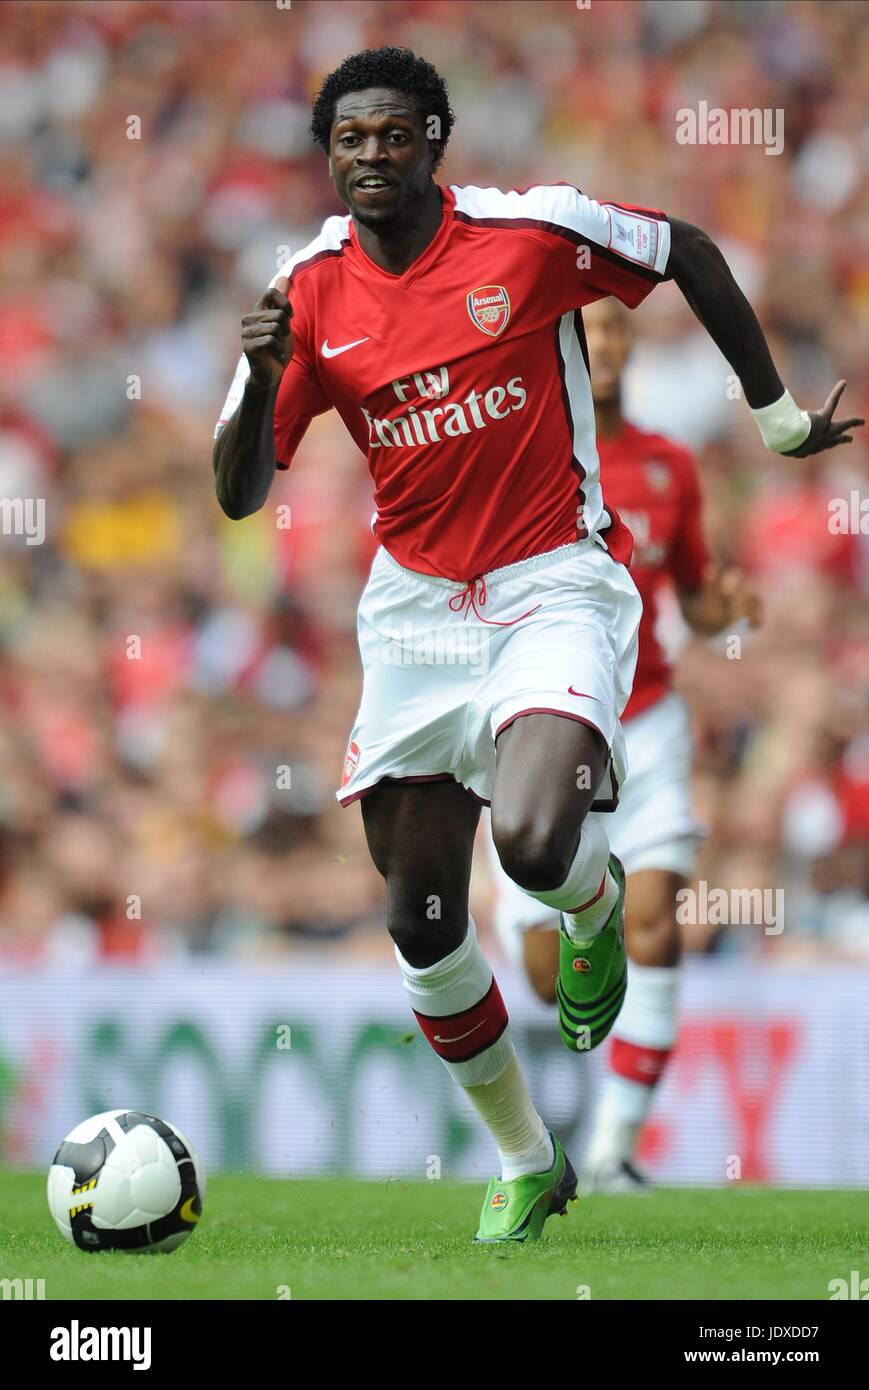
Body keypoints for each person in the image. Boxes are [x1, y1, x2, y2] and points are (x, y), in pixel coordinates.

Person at [212, 47, 862, 1242]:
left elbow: (687, 253)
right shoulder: (302, 290)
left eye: (393, 134)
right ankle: (527, 1156)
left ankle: (589, 901)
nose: (369, 156)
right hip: (411, 613)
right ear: (327, 155)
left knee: (529, 835)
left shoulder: (528, 234)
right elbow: (240, 494)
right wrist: (261, 387)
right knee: (418, 922)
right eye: (347, 139)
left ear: (434, 141)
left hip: (552, 576)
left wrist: (771, 416)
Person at [486, 295, 762, 1192]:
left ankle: (613, 1152)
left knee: (654, 928)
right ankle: (581, 898)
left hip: (645, 720)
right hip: (546, 727)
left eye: (614, 330)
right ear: (561, 345)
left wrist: (727, 610)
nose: (601, 344)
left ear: (630, 346)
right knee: (543, 980)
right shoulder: (517, 454)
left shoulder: (666, 464)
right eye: (585, 330)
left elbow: (693, 596)